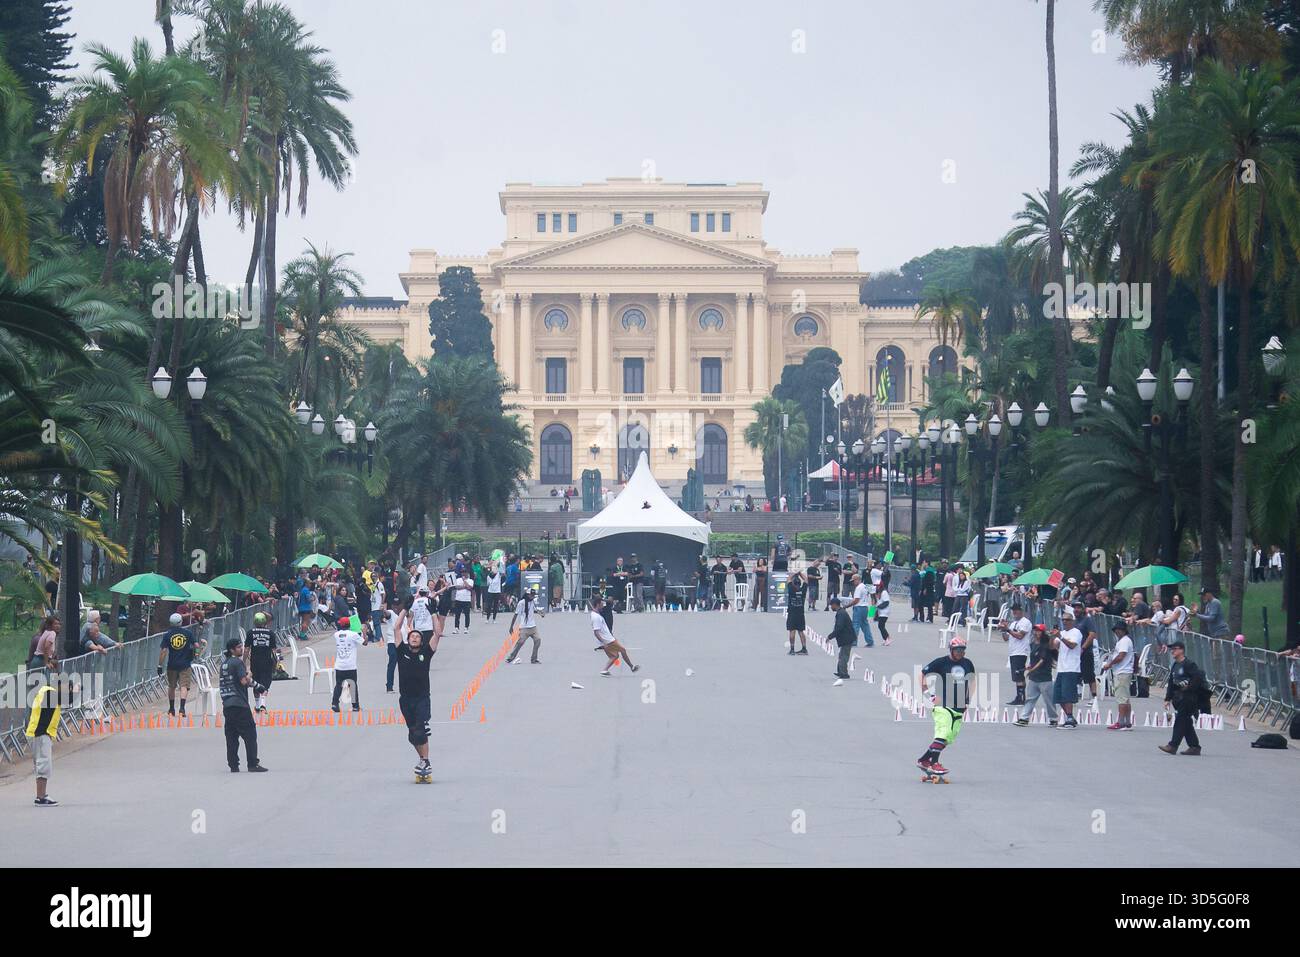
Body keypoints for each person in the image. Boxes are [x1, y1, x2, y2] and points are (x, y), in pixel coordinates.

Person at [917, 637, 976, 776]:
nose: (960, 653)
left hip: (959, 705)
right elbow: (922, 674)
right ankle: (934, 764)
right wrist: (929, 695)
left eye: (962, 650)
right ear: (951, 649)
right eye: (957, 650)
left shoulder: (967, 663)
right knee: (942, 733)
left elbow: (971, 680)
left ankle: (924, 760)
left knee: (949, 736)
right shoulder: (941, 662)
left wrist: (968, 700)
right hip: (942, 705)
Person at [395, 620, 436, 778]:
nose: (414, 638)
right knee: (412, 735)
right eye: (412, 636)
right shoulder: (401, 651)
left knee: (420, 730)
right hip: (405, 699)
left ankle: (425, 760)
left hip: (422, 698)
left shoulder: (426, 653)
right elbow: (396, 628)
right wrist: (405, 609)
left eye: (417, 637)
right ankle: (423, 760)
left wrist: (435, 614)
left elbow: (437, 634)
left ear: (421, 641)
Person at [219, 636, 266, 772]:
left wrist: (258, 686)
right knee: (250, 734)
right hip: (240, 705)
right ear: (232, 650)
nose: (241, 649)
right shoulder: (237, 663)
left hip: (227, 705)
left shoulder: (225, 664)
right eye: (239, 647)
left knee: (232, 736)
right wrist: (250, 674)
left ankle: (233, 765)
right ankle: (252, 763)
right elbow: (244, 681)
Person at [27, 673, 75, 805]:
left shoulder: (46, 690)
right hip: (41, 733)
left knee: (41, 765)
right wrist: (74, 690)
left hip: (37, 732)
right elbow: (66, 699)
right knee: (44, 765)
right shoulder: (51, 694)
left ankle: (41, 795)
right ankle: (41, 797)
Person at [1158, 638, 1207, 755]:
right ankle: (1194, 746)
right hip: (1178, 698)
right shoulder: (1175, 665)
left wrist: (1189, 688)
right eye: (1171, 650)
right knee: (1185, 722)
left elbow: (1198, 678)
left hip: (1189, 698)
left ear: (1181, 650)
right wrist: (1167, 698)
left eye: (1174, 649)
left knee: (1180, 721)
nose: (1172, 652)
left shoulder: (1189, 664)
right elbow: (1171, 682)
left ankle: (1173, 745)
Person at [157, 612, 206, 718]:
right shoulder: (187, 633)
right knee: (184, 686)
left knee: (172, 686)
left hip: (172, 664)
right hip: (185, 663)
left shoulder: (167, 635)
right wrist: (197, 655)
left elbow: (164, 651)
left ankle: (171, 709)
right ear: (181, 622)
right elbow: (196, 645)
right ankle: (182, 708)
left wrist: (160, 665)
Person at [1014, 625, 1058, 726]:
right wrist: (1029, 666)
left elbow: (1042, 661)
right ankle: (1024, 718)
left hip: (1044, 677)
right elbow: (1034, 659)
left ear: (1043, 633)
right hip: (1034, 678)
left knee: (1049, 701)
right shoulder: (1033, 644)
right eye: (1035, 631)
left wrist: (1032, 670)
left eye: (1039, 631)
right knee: (1030, 698)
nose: (1036, 633)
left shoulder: (1045, 645)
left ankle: (1053, 719)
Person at [590, 595, 639, 677]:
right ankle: (632, 667)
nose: (603, 606)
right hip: (608, 641)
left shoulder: (595, 614)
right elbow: (596, 632)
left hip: (609, 639)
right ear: (598, 604)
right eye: (602, 604)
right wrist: (604, 642)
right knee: (623, 650)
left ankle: (604, 670)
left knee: (615, 656)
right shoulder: (596, 617)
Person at [1050, 608, 1082, 728]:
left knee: (1068, 694)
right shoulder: (1062, 633)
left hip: (1071, 667)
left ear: (1072, 621)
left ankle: (1069, 717)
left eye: (1067, 620)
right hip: (1062, 667)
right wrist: (1052, 637)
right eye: (1063, 620)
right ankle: (1070, 717)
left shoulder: (1076, 632)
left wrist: (1060, 637)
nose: (1065, 622)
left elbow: (1072, 645)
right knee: (1058, 695)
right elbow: (1053, 647)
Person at [1103, 621, 1136, 730]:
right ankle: (1127, 721)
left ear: (1123, 630)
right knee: (1125, 698)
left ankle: (1121, 722)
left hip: (1122, 671)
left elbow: (1121, 656)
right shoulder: (1123, 641)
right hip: (1124, 671)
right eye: (1115, 630)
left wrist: (1110, 664)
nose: (1116, 632)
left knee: (1121, 698)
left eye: (1118, 630)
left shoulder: (1124, 641)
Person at [999, 603, 1033, 706]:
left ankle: (1021, 697)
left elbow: (1020, 636)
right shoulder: (1013, 623)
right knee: (1016, 676)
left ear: (1021, 611)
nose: (1015, 612)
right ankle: (1019, 696)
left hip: (1021, 652)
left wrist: (1008, 629)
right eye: (1013, 610)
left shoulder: (1025, 622)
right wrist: (1003, 629)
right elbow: (1006, 638)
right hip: (1013, 652)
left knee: (1019, 675)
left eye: (1017, 610)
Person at [244, 612, 278, 713]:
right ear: (265, 621)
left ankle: (258, 706)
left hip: (255, 661)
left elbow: (246, 649)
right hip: (267, 661)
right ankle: (263, 704)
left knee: (256, 683)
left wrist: (244, 661)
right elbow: (274, 650)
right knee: (265, 683)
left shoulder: (250, 632)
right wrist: (276, 662)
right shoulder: (270, 633)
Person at [331, 616, 365, 713]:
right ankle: (355, 706)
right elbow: (365, 643)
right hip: (350, 666)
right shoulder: (353, 635)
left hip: (339, 665)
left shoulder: (336, 635)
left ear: (341, 625)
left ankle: (334, 703)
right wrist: (364, 633)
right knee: (352, 685)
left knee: (338, 685)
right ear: (349, 625)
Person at [505, 588, 544, 664]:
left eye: (533, 595)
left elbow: (533, 610)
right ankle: (511, 657)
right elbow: (516, 615)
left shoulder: (532, 602)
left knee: (538, 640)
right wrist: (511, 626)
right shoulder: (521, 603)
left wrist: (540, 614)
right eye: (531, 595)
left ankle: (534, 659)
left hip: (533, 627)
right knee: (520, 642)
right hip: (524, 627)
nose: (533, 597)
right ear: (527, 595)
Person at [829, 596, 855, 678]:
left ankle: (844, 673)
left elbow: (839, 627)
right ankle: (840, 671)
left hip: (847, 638)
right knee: (842, 655)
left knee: (843, 656)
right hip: (845, 637)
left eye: (831, 605)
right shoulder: (841, 612)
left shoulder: (841, 614)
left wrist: (830, 636)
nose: (830, 607)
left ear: (834, 605)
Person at [785, 569, 809, 655]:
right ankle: (804, 648)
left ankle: (792, 649)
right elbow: (806, 580)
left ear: (794, 583)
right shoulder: (803, 590)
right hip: (800, 614)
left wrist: (794, 573)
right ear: (800, 583)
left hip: (792, 614)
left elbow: (788, 579)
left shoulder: (791, 589)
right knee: (801, 631)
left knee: (792, 631)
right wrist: (800, 573)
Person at [848, 573, 874, 648]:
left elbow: (856, 600)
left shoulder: (858, 588)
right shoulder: (865, 586)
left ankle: (853, 641)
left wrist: (847, 605)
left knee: (855, 625)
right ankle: (870, 641)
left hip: (858, 607)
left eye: (853, 581)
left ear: (857, 580)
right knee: (865, 625)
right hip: (865, 607)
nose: (853, 582)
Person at [380, 604, 400, 693]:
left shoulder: (404, 616)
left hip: (404, 643)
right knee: (392, 665)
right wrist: (384, 610)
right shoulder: (391, 613)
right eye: (394, 605)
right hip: (392, 643)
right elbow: (387, 614)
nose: (396, 607)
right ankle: (389, 686)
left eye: (398, 604)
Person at [451, 568, 473, 634]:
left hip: (466, 600)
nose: (463, 573)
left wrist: (464, 582)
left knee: (467, 614)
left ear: (467, 573)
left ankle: (466, 627)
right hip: (458, 599)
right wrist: (464, 586)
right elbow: (457, 587)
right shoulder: (457, 580)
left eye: (465, 572)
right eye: (462, 572)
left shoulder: (470, 580)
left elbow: (469, 587)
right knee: (457, 614)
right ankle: (456, 628)